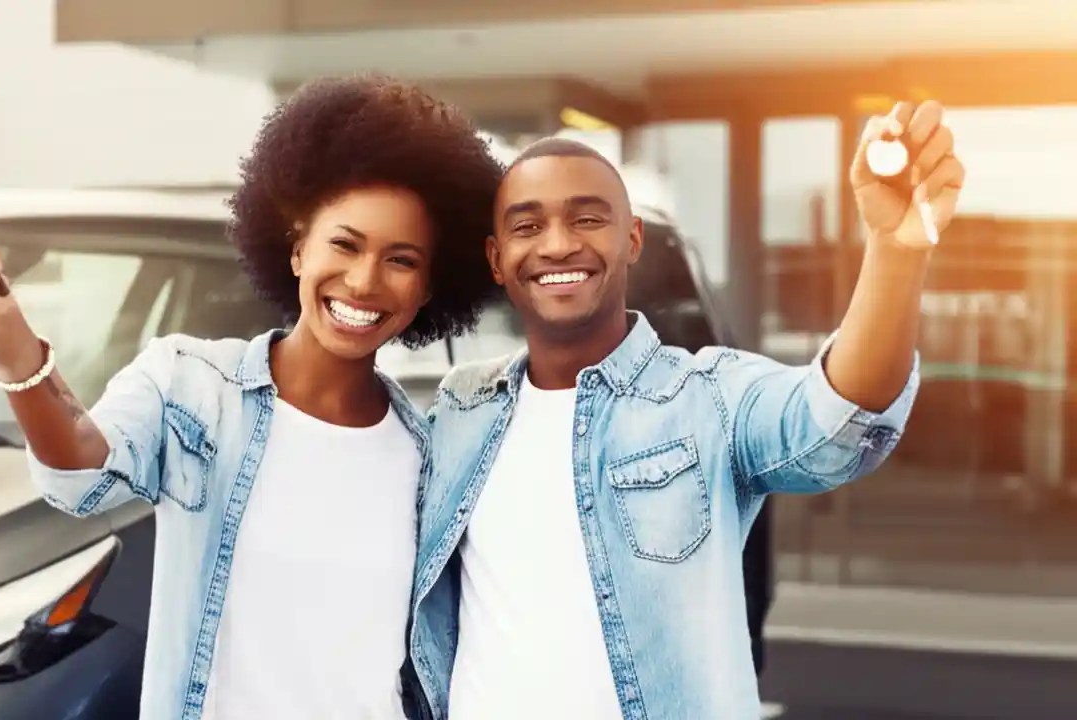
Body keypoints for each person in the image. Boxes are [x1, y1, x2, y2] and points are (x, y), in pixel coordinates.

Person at [0, 75, 503, 720]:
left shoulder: (431, 458)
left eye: (401, 260)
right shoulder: (193, 388)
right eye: (344, 244)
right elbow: (79, 476)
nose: (364, 280)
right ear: (297, 250)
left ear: (430, 287)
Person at [409, 100, 964, 719]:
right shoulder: (460, 410)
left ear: (632, 240)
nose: (558, 244)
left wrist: (895, 249)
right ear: (496, 258)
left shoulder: (709, 398)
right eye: (528, 225)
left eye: (587, 219)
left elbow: (839, 418)